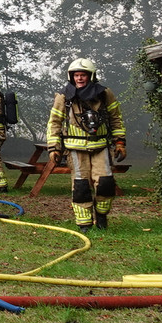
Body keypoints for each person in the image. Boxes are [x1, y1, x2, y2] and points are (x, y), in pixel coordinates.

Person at [46, 58, 125, 231]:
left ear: (91, 76)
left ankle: (102, 216)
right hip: (75, 149)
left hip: (100, 146)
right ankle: (84, 224)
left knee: (106, 183)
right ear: (71, 76)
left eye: (83, 75)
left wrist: (119, 142)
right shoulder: (63, 96)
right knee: (81, 186)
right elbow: (55, 122)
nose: (80, 78)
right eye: (76, 75)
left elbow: (115, 118)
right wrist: (54, 147)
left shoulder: (105, 94)